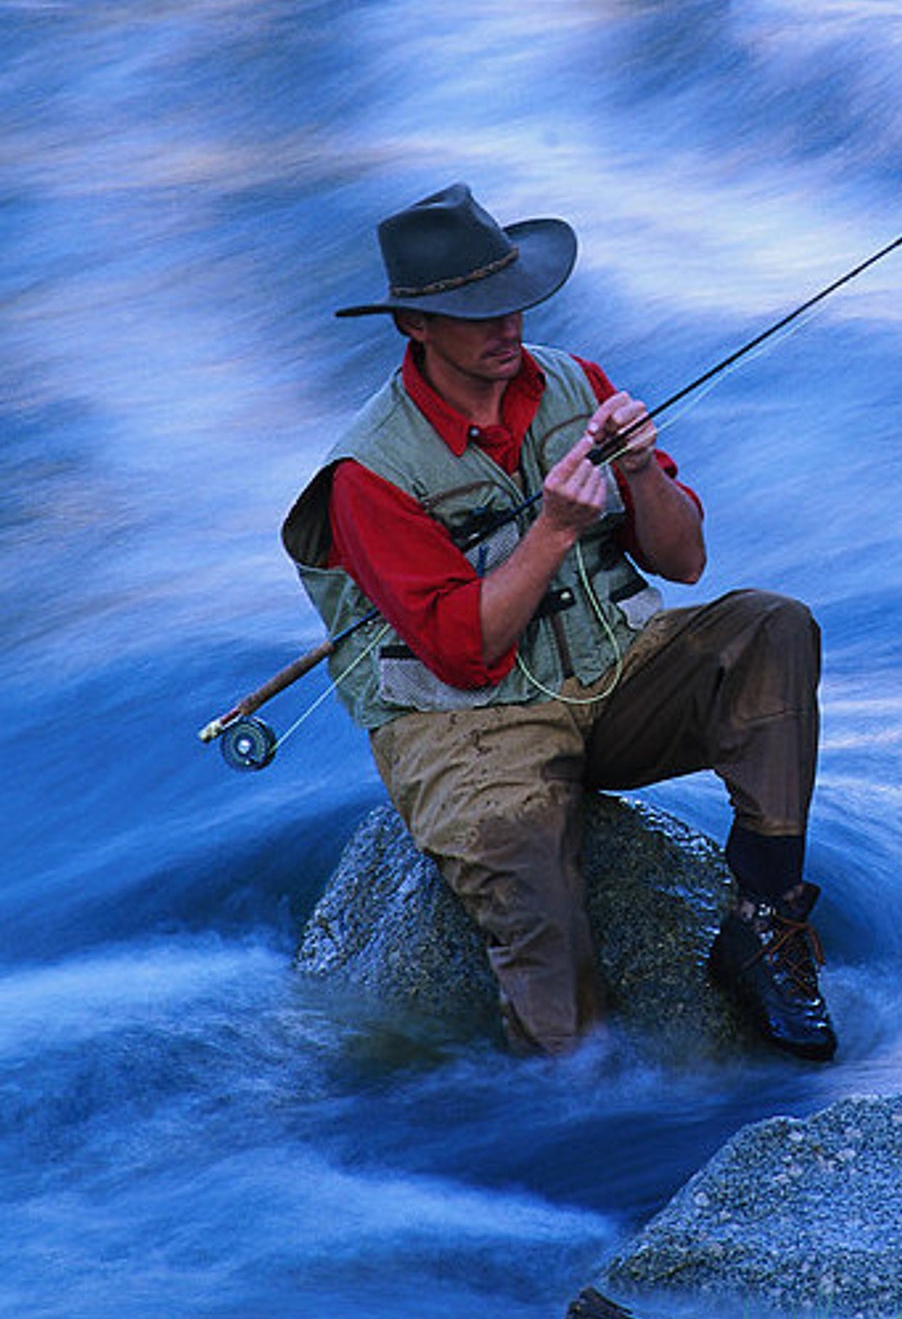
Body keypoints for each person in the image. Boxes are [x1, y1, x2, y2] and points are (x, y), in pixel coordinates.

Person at [282, 182, 835, 1061]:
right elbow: (467, 654)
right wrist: (553, 529)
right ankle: (579, 1106)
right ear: (415, 327)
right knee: (537, 909)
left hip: (611, 674)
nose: (508, 326)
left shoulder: (576, 383)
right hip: (465, 727)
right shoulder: (366, 475)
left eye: (515, 303)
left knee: (772, 628)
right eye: (477, 313)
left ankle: (763, 926)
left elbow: (685, 562)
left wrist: (646, 474)